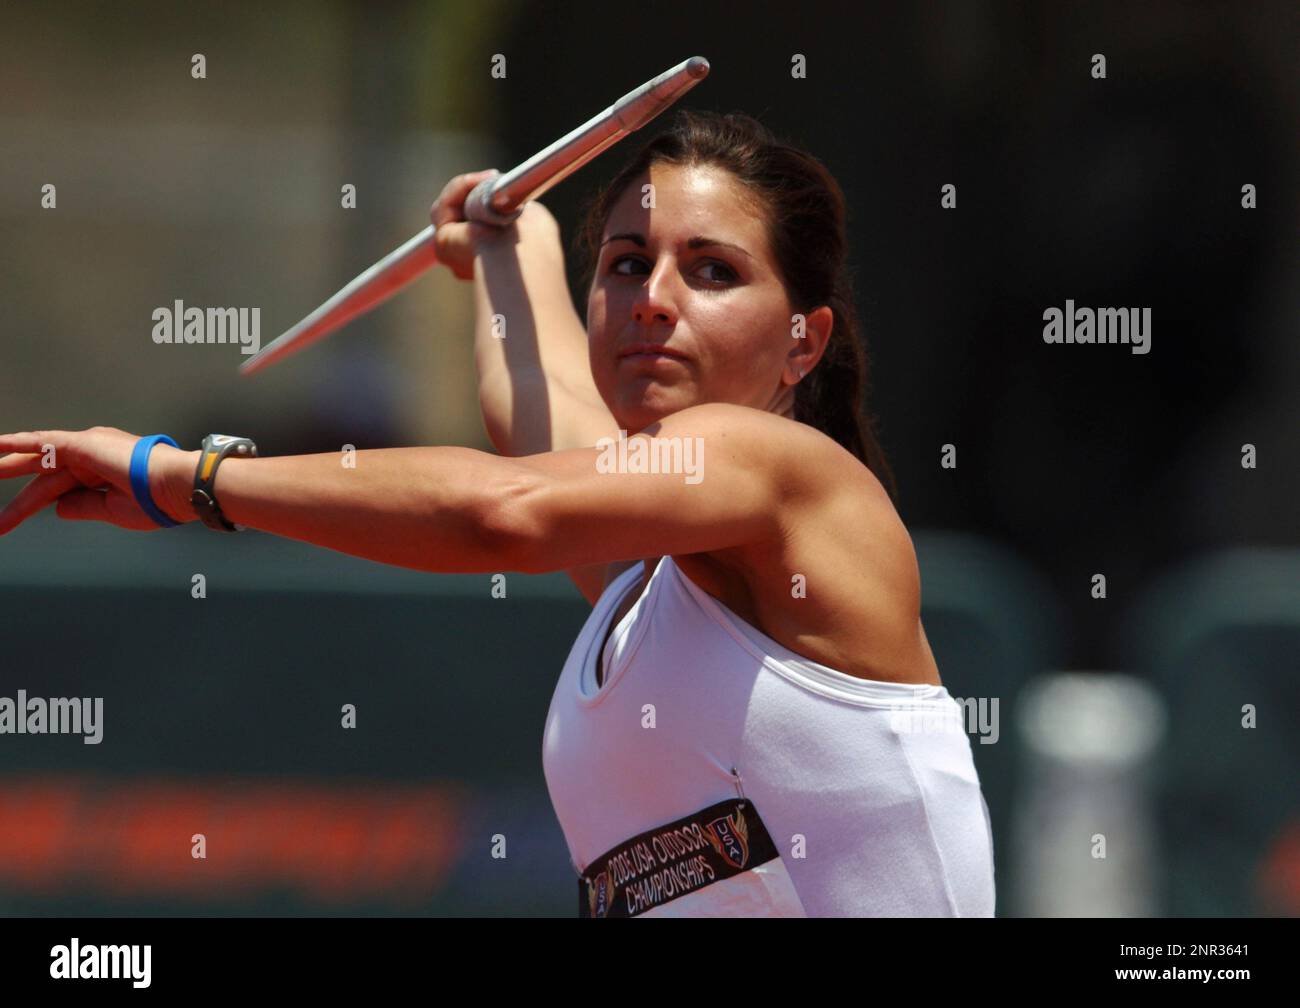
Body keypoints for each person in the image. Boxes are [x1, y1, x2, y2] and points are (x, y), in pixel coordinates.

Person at [0, 109, 995, 918]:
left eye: (711, 270)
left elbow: (506, 509)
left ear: (801, 343)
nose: (651, 298)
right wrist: (511, 247)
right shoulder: (642, 581)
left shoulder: (782, 472)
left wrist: (179, 478)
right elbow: (543, 425)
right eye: (623, 263)